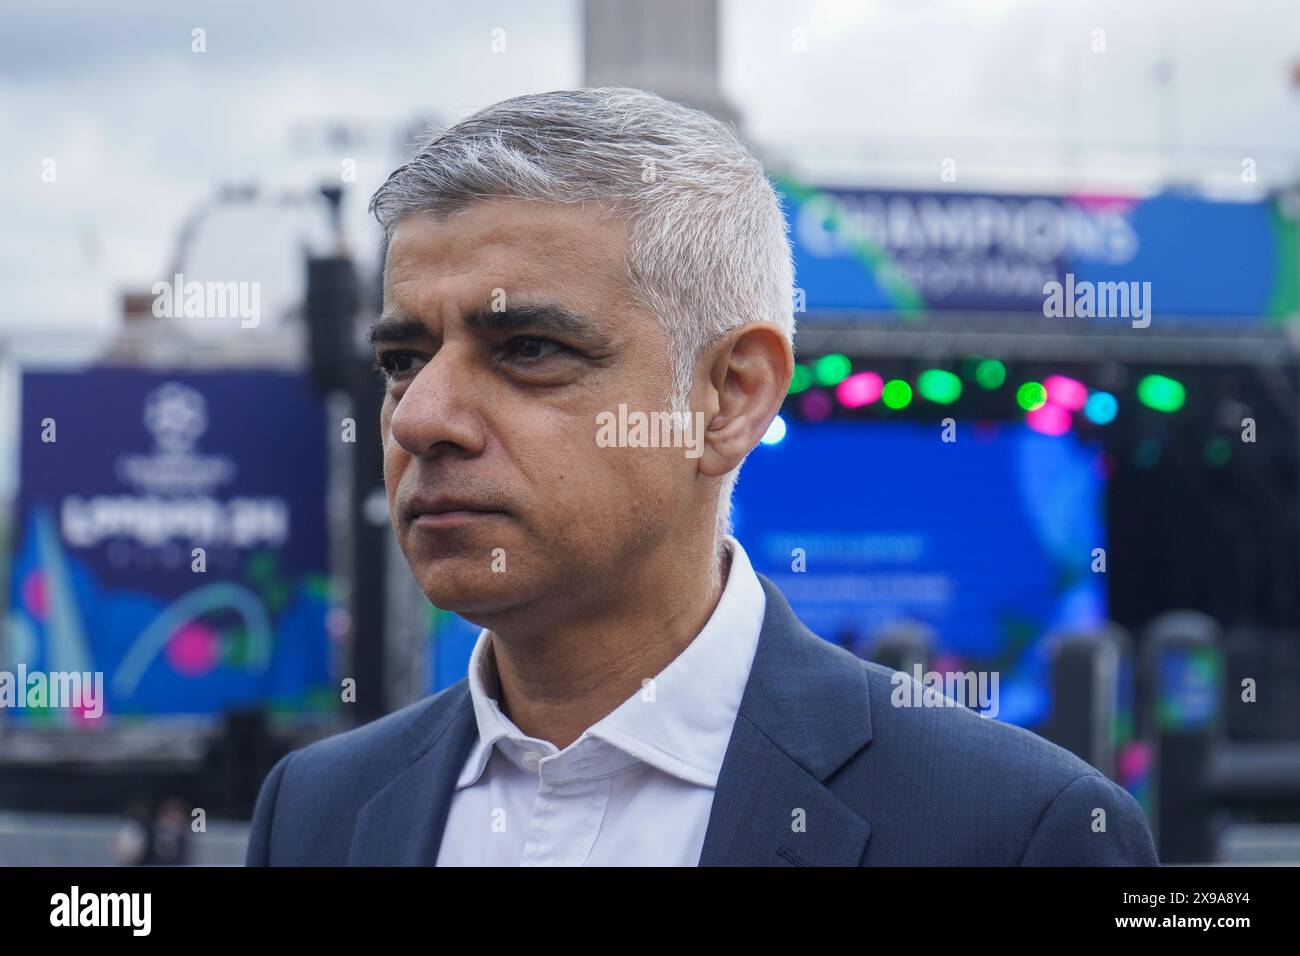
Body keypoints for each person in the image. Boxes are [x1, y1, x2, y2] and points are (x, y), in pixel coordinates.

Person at [246, 87, 1157, 866]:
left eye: (527, 349)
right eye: (403, 358)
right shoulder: (313, 814)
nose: (418, 418)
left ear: (728, 397)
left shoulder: (1014, 833)